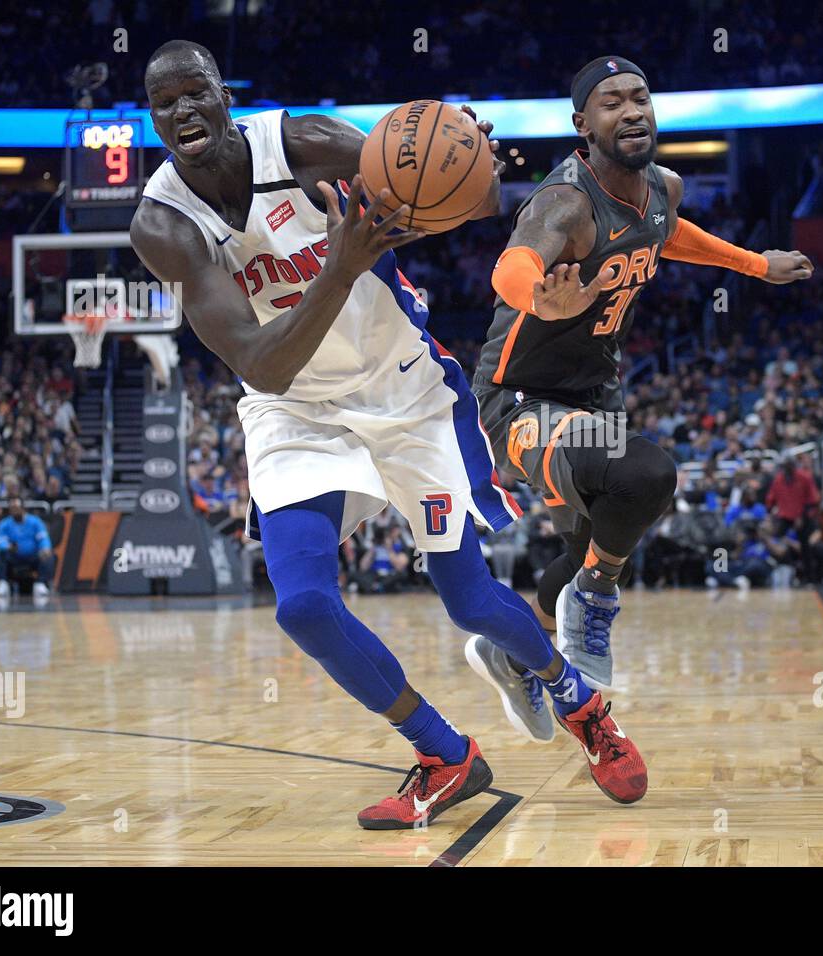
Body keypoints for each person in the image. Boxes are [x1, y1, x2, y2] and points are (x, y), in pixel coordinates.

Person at [129, 40, 646, 827]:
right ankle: (445, 753)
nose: (182, 112)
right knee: (301, 606)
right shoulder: (164, 224)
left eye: (195, 92)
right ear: (155, 119)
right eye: (164, 103)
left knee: (468, 599)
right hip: (293, 412)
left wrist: (463, 160)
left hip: (403, 394)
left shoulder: (303, 145)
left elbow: (474, 201)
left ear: (223, 97)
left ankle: (583, 708)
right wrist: (340, 264)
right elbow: (263, 367)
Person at [473, 55, 813, 690]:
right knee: (647, 473)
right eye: (612, 102)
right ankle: (596, 601)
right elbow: (511, 266)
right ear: (583, 124)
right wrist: (540, 298)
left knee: (582, 547)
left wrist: (755, 266)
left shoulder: (664, 187)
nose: (631, 110)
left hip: (596, 392)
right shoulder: (566, 204)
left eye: (640, 98)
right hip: (519, 397)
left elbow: (669, 235)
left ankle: (515, 653)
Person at [0, 497, 54, 598]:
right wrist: (8, 547)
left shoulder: (35, 522)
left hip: (33, 555)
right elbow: (0, 540)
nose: (14, 510)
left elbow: (43, 538)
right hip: (13, 555)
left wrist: (45, 547)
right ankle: (3, 583)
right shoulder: (5, 524)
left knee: (48, 555)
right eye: (12, 508)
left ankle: (41, 583)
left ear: (23, 508)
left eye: (16, 507)